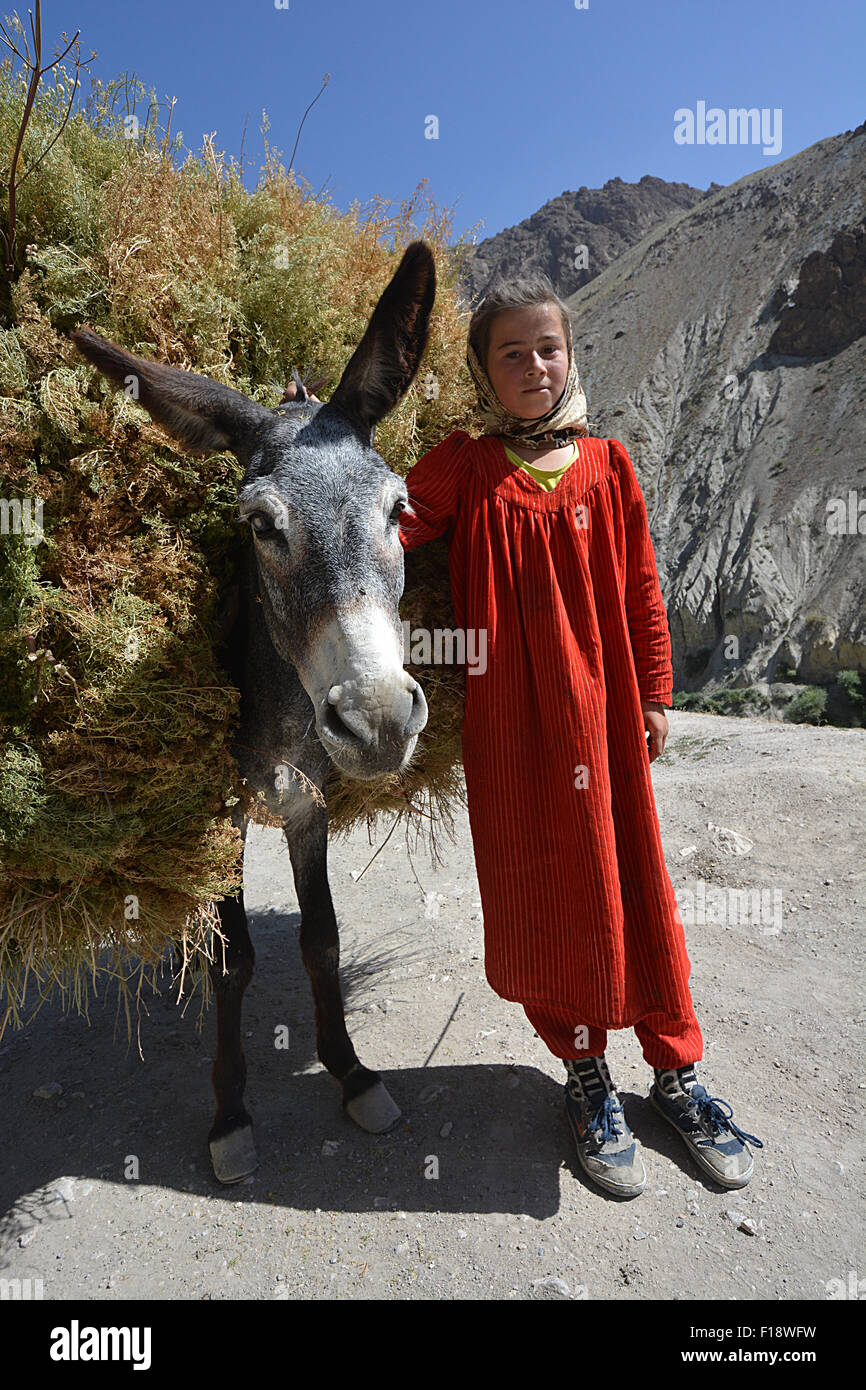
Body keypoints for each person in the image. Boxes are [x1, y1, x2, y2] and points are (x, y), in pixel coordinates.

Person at [395, 273, 764, 1198]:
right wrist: (318, 437)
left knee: (634, 878)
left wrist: (656, 691)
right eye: (510, 352)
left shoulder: (610, 463)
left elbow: (641, 586)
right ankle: (586, 1075)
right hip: (514, 726)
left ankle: (677, 1072)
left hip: (603, 720)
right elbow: (385, 519)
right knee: (547, 887)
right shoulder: (467, 468)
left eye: (546, 348)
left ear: (571, 357)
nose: (532, 365)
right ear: (483, 371)